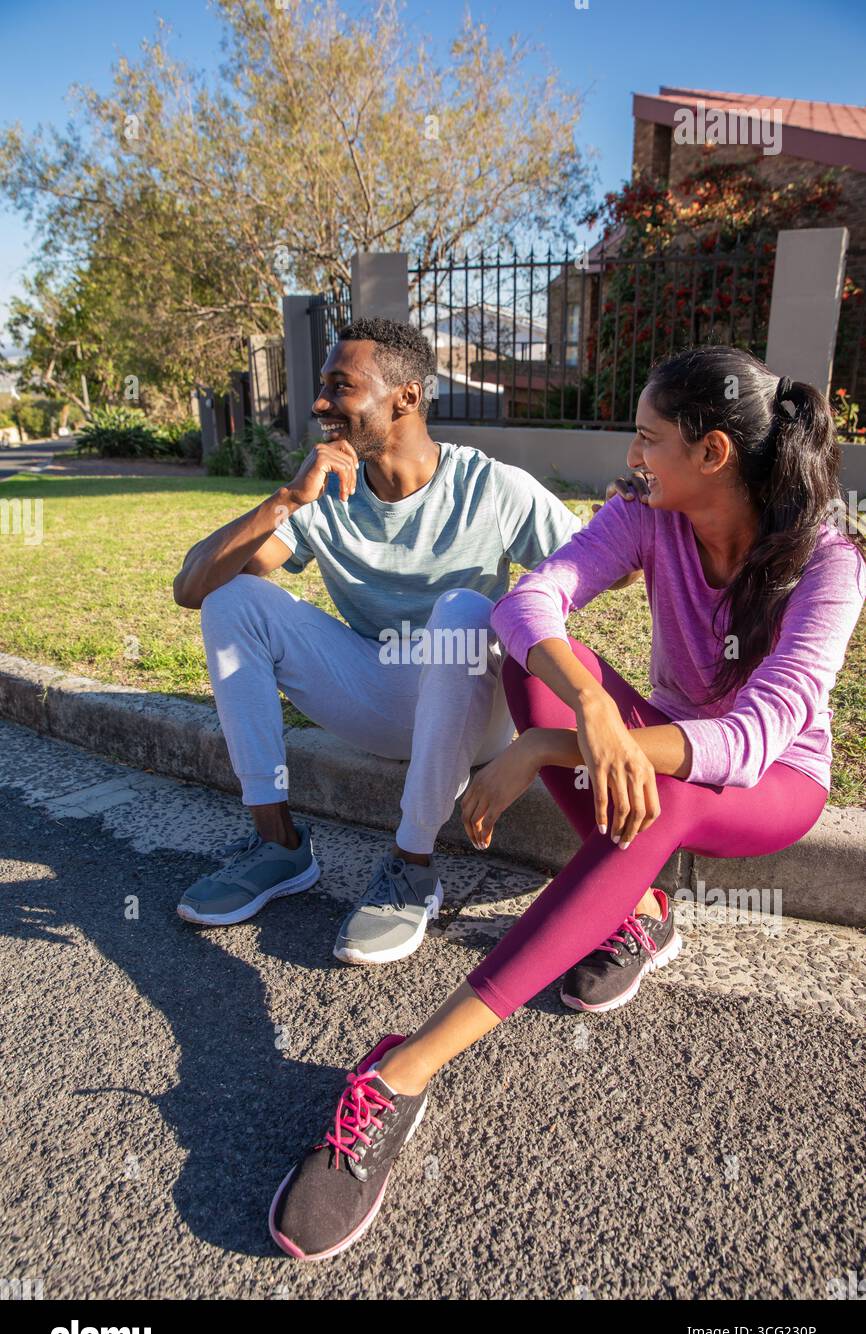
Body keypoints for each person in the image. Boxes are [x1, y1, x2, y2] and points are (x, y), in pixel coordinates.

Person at [268, 345, 866, 1261]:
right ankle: (642, 909)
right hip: (656, 749)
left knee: (663, 800)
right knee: (542, 668)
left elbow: (754, 737)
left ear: (710, 453)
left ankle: (404, 1071)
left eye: (647, 439)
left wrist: (555, 746)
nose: (631, 458)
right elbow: (528, 606)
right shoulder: (646, 516)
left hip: (769, 783)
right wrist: (584, 708)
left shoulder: (829, 561)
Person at [172, 317, 584, 964]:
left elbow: (595, 567)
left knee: (461, 611)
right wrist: (285, 499)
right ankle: (277, 844)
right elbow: (194, 588)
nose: (319, 404)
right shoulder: (324, 493)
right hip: (382, 697)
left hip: (477, 712)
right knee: (235, 599)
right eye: (323, 387)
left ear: (407, 398)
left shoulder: (491, 486)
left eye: (341, 387)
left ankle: (411, 866)